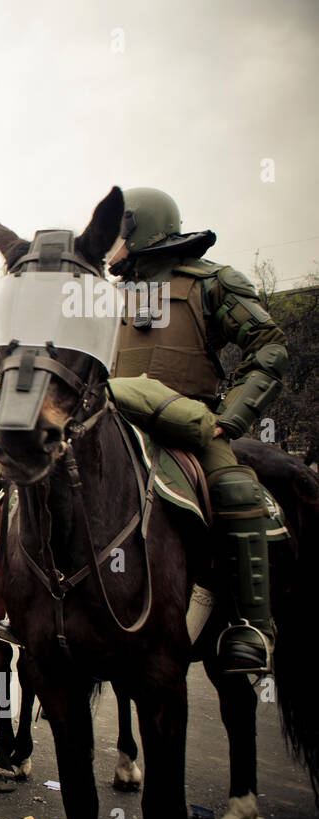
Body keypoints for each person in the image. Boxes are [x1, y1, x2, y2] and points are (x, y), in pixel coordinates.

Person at [108, 187, 288, 675]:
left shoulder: (214, 283)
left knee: (234, 486)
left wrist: (232, 418)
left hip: (191, 425)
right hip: (116, 420)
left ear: (135, 229)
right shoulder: (106, 298)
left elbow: (269, 348)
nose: (107, 245)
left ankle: (252, 625)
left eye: (113, 232)